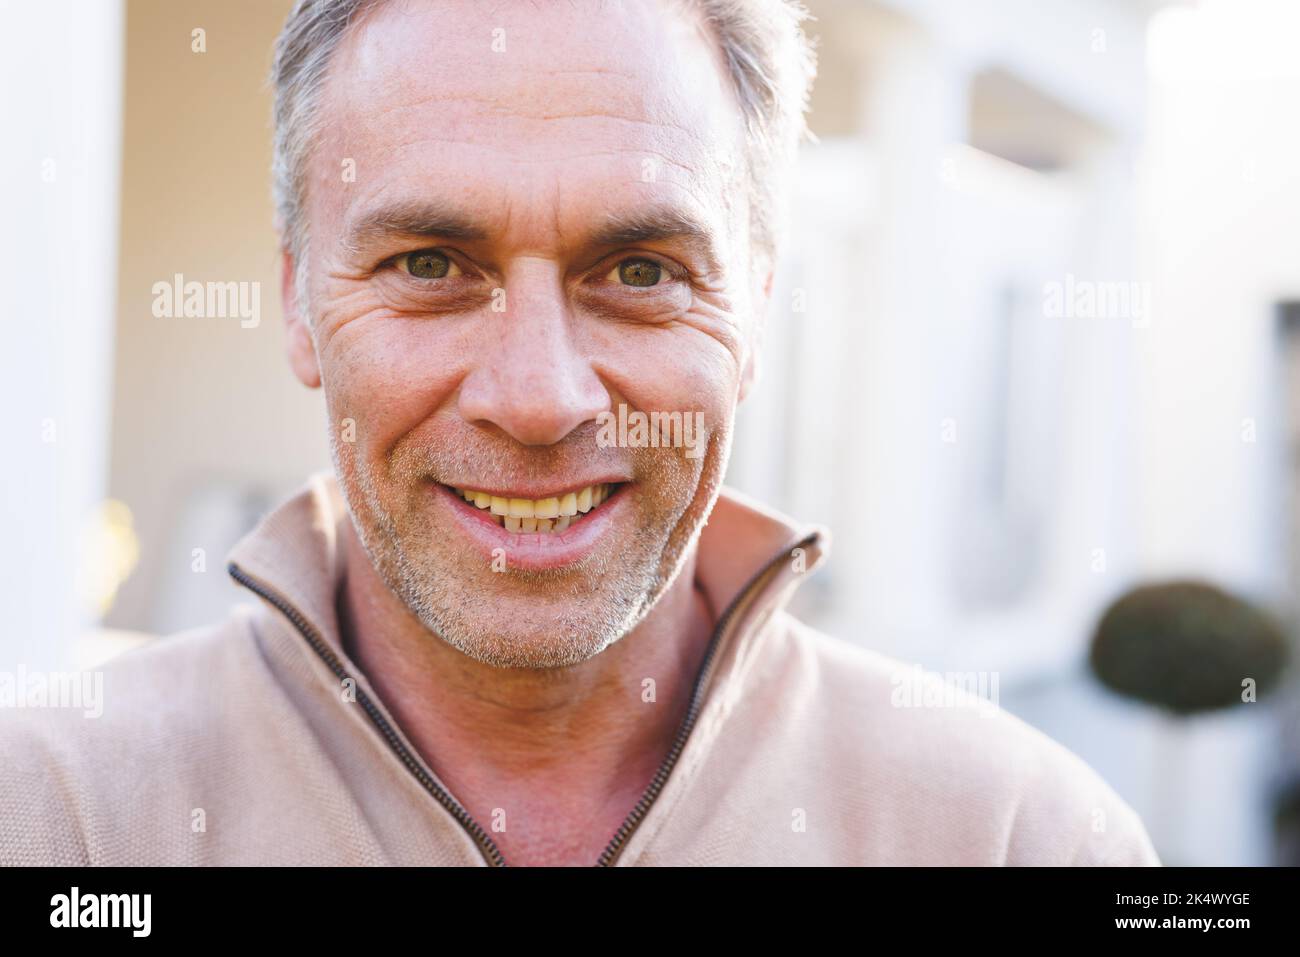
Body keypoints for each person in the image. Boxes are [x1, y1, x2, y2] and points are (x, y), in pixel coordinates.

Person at [0, 0, 1159, 866]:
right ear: (301, 304)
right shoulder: (58, 819)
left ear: (752, 311)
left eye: (641, 268)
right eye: (429, 265)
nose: (541, 396)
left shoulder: (1022, 842)